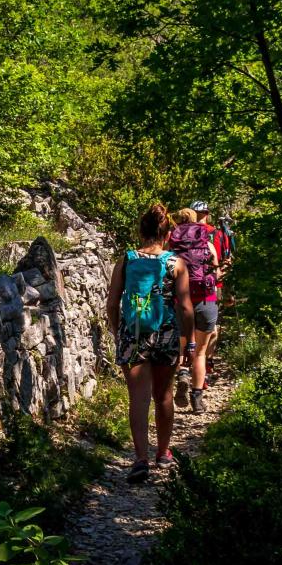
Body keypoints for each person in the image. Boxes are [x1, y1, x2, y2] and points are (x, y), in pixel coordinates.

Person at [106, 202, 195, 484]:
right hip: (166, 335)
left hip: (133, 335)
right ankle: (164, 452)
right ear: (167, 234)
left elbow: (113, 301)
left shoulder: (127, 260)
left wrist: (117, 331)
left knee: (139, 398)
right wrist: (189, 342)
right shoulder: (176, 263)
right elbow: (185, 307)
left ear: (141, 231)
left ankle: (140, 458)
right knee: (164, 395)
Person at [167, 205, 219, 414]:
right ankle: (197, 400)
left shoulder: (172, 245)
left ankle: (182, 375)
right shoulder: (206, 243)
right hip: (206, 300)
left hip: (181, 302)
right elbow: (216, 267)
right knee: (200, 352)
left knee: (181, 347)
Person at [191, 200, 229, 375]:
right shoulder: (219, 234)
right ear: (208, 213)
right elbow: (227, 262)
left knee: (191, 327)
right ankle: (206, 361)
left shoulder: (182, 234)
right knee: (211, 328)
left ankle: (189, 365)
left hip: (187, 285)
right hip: (214, 285)